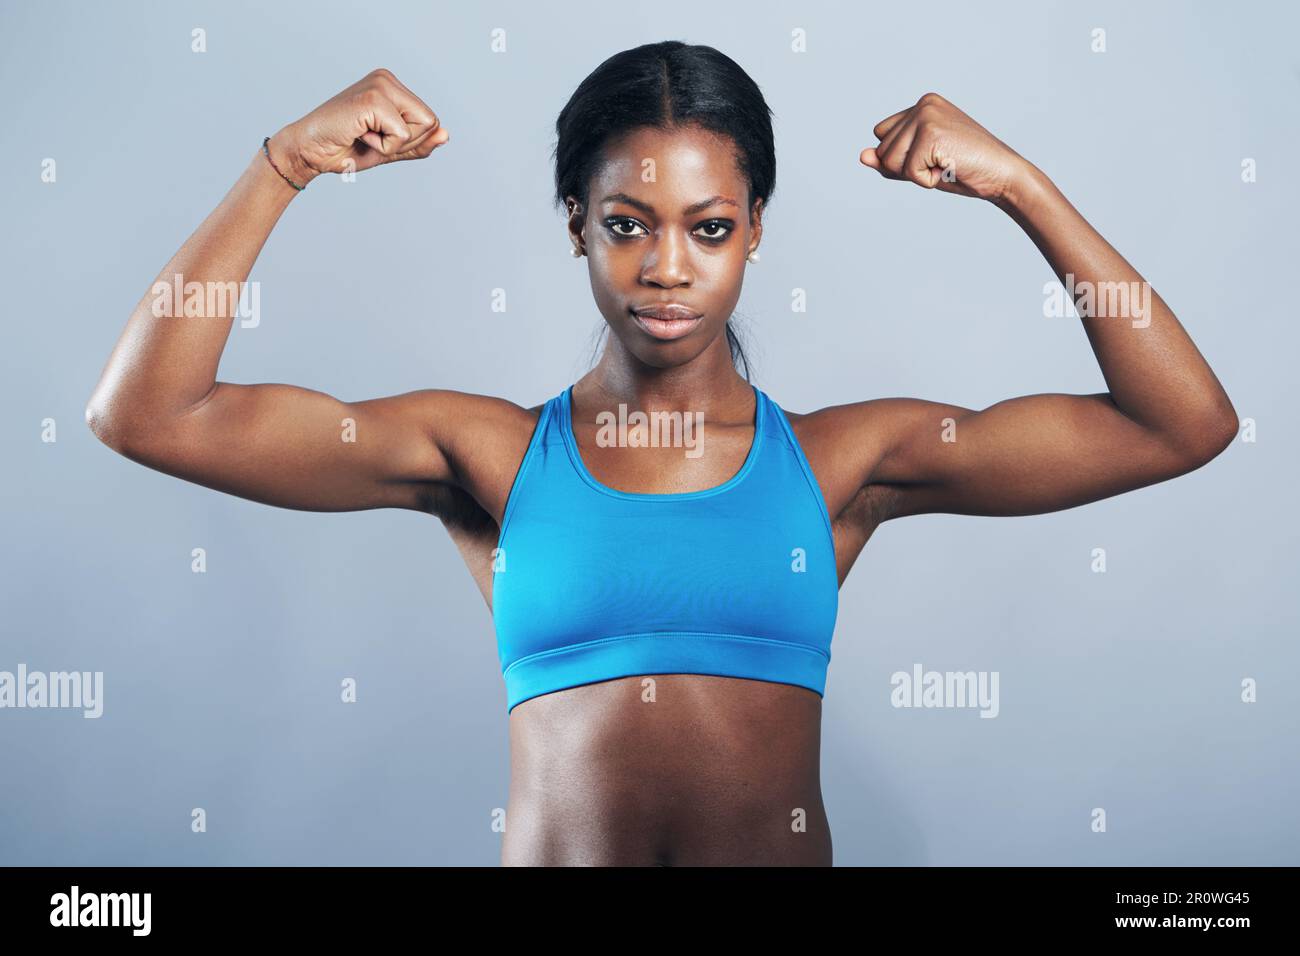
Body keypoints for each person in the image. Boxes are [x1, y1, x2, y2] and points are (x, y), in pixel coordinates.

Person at [85, 42, 1237, 866]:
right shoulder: (480, 454)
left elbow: (1178, 424)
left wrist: (1020, 186)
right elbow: (149, 414)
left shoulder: (844, 463)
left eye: (710, 226)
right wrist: (283, 162)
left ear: (755, 233)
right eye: (627, 223)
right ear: (576, 226)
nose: (668, 267)